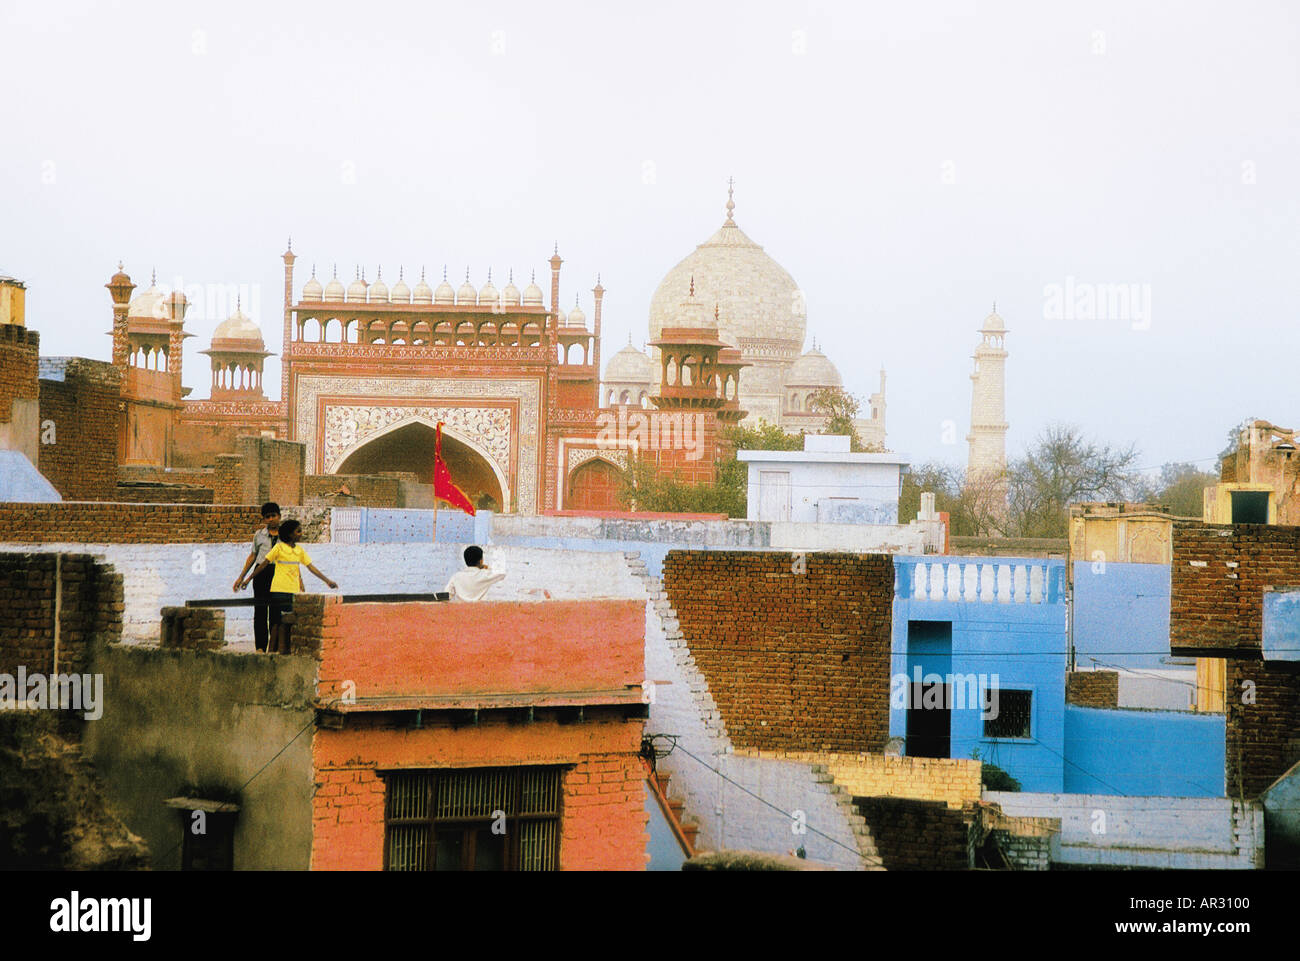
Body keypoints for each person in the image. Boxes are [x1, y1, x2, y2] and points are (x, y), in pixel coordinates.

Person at [249, 519, 337, 654]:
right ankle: (271, 652)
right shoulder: (278, 548)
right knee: (276, 623)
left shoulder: (299, 551)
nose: (301, 534)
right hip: (278, 590)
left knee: (289, 622)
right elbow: (264, 564)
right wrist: (249, 578)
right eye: (298, 531)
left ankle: (283, 651)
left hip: (293, 591)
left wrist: (327, 581)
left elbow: (311, 567)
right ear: (290, 534)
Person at [233, 502, 280, 652]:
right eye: (268, 517)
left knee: (276, 613)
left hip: (279, 574)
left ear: (279, 516)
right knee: (260, 611)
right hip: (261, 573)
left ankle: (274, 647)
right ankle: (260, 647)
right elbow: (253, 556)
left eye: (274, 516)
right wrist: (241, 577)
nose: (271, 519)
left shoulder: (286, 535)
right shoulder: (259, 535)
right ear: (264, 519)